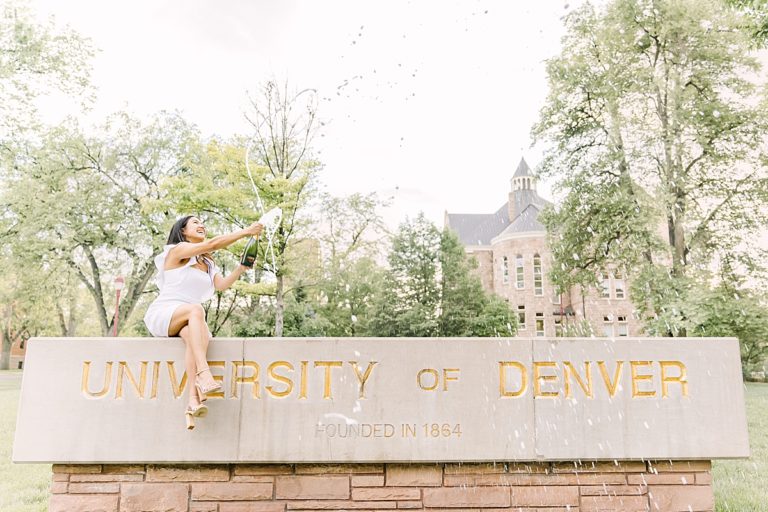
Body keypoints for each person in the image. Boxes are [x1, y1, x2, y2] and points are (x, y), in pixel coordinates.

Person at [144, 215, 263, 429]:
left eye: (202, 223)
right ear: (183, 231)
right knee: (196, 309)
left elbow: (222, 285)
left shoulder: (207, 262)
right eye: (195, 222)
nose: (201, 225)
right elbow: (213, 243)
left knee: (198, 335)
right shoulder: (177, 250)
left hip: (191, 317)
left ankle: (192, 402)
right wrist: (246, 231)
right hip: (166, 312)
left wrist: (241, 268)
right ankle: (204, 373)